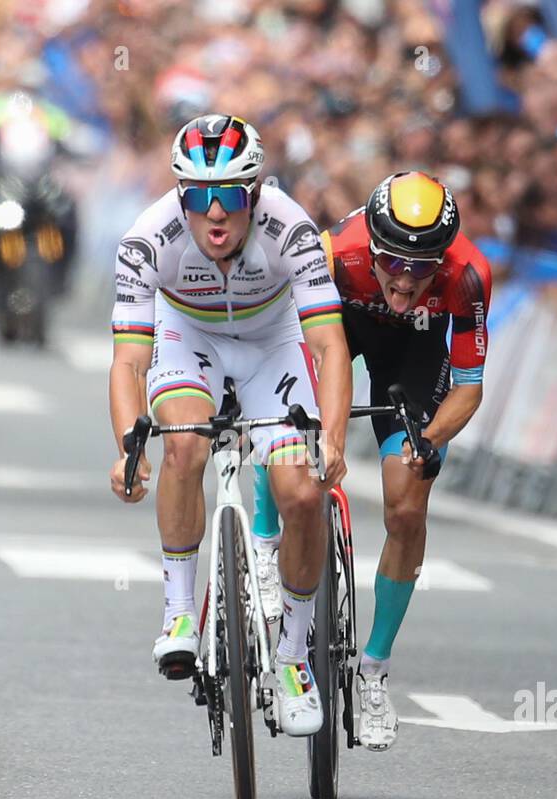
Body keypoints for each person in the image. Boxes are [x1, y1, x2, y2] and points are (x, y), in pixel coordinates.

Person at [107, 114, 351, 738]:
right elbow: (129, 361)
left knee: (300, 492)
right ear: (180, 195)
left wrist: (333, 439)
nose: (214, 214)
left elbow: (329, 346)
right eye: (197, 197)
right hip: (190, 337)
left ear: (256, 191)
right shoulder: (147, 238)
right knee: (183, 447)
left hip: (274, 341)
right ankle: (180, 614)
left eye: (230, 196)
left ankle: (294, 656)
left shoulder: (291, 229)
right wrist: (128, 449)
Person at [250, 172, 492, 751]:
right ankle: (263, 538)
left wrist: (428, 441)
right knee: (292, 419)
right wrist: (320, 432)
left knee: (407, 506)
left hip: (414, 357)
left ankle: (374, 671)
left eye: (422, 267)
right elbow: (289, 349)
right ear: (373, 251)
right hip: (339, 329)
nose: (406, 281)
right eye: (393, 264)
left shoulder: (468, 275)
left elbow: (469, 385)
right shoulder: (336, 254)